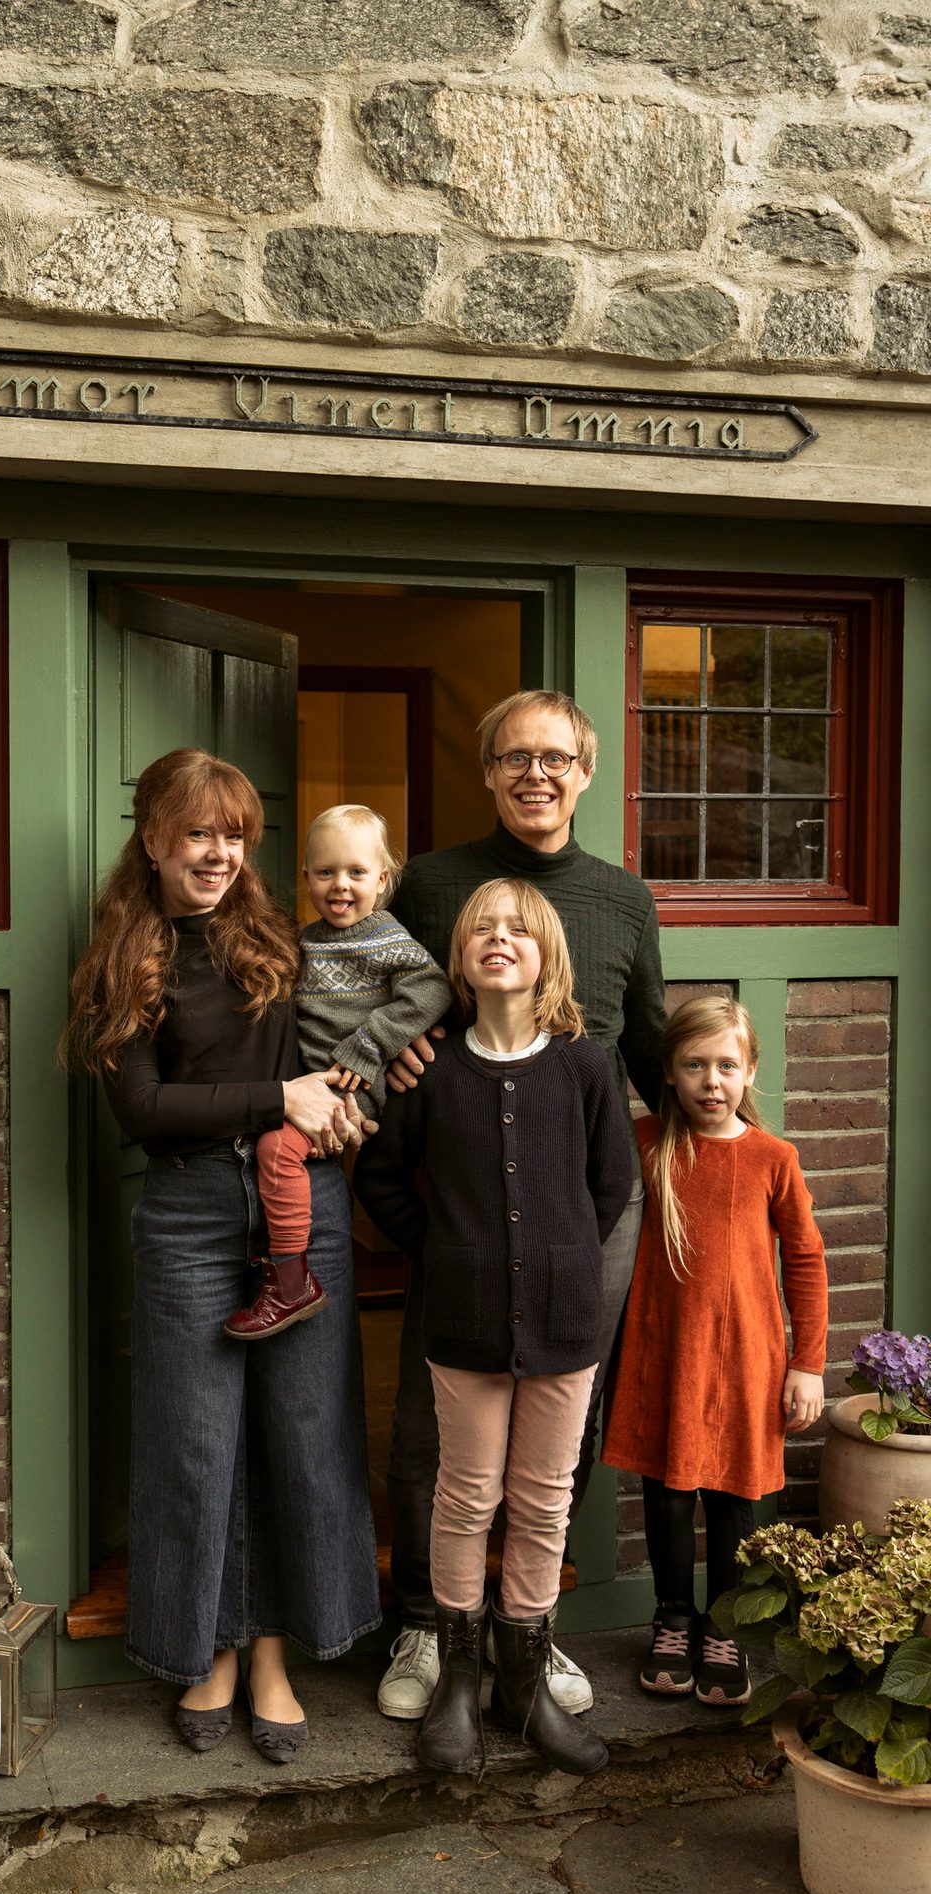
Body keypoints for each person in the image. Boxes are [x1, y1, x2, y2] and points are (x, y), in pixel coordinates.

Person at [66, 747, 381, 1764]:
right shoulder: (125, 958)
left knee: (301, 1430)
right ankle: (203, 1652)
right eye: (197, 832)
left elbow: (355, 1035)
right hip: (191, 1212)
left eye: (234, 834)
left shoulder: (285, 942)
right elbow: (142, 1111)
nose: (217, 852)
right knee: (192, 1443)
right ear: (153, 838)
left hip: (305, 1205)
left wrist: (348, 1101)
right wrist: (273, 1100)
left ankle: (276, 1660)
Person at [376, 690, 666, 1722]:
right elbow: (377, 1008)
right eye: (513, 758)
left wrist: (714, 1148)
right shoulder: (430, 886)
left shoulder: (622, 900)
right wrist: (379, 1056)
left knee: (560, 1417)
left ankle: (522, 1631)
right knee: (435, 1427)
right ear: (487, 771)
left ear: (583, 772)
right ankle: (424, 1617)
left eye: (554, 757)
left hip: (584, 1199)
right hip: (458, 1197)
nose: (533, 774)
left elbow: (644, 1040)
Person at [354, 879, 632, 1775]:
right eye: (481, 930)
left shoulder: (585, 1066)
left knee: (545, 1498)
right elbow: (383, 1178)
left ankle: (525, 1682)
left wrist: (558, 1258)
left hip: (562, 1320)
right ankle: (457, 1681)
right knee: (465, 1494)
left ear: (547, 953)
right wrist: (446, 1249)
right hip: (462, 1318)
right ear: (461, 960)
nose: (500, 939)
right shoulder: (432, 1069)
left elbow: (609, 1184)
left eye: (519, 929)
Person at [601, 993, 827, 1705]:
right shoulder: (645, 1144)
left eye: (726, 1065)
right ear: (667, 1071)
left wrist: (809, 1363)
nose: (710, 1081)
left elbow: (807, 1262)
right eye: (694, 1065)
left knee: (731, 1496)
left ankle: (723, 1627)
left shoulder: (772, 1158)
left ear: (751, 1070)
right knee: (667, 1494)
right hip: (663, 1353)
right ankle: (673, 1619)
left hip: (746, 1362)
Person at [225, 803, 451, 1341]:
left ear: (384, 878)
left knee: (275, 1151)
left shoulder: (387, 937)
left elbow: (432, 989)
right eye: (325, 873)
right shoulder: (304, 942)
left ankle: (290, 1277)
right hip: (314, 1083)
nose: (340, 885)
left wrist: (369, 1046)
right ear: (305, 878)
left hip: (356, 1084)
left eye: (356, 872)